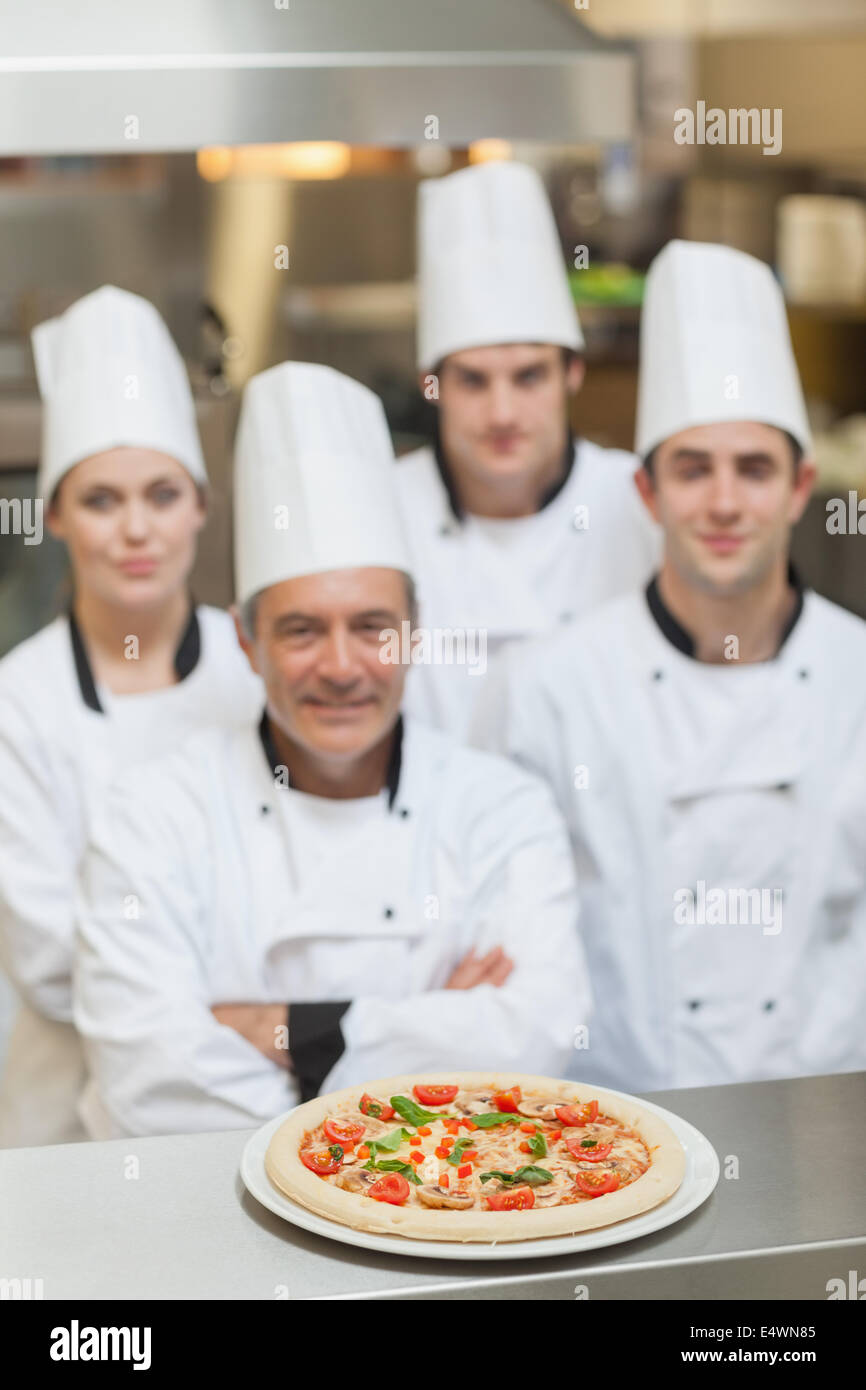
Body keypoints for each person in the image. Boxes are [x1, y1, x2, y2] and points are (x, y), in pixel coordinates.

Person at [72, 362, 591, 1139]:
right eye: (302, 630)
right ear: (247, 640)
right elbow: (149, 1077)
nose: (343, 668)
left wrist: (279, 1028)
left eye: (372, 627)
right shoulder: (151, 817)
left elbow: (540, 1037)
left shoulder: (501, 810)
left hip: (457, 1232)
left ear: (414, 633)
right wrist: (433, 1032)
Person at [477, 239, 866, 1093]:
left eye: (753, 470)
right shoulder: (545, 689)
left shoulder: (858, 677)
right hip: (606, 1127)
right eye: (693, 470)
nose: (724, 502)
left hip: (837, 1127)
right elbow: (499, 943)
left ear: (801, 488)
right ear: (647, 493)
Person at [0, 287, 262, 1147]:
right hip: (59, 1125)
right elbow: (46, 965)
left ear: (200, 505)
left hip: (255, 1101)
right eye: (102, 500)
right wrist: (246, 1000)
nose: (136, 530)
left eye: (161, 493)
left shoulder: (263, 670)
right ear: (56, 517)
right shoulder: (17, 703)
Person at [395, 161, 660, 739]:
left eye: (529, 377)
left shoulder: (640, 506)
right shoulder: (381, 511)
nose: (503, 414)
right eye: (472, 380)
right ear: (430, 385)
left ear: (573, 373)